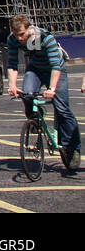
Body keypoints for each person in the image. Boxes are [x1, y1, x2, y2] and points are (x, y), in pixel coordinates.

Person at [8, 14, 80, 172]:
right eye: (16, 34)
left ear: (29, 29)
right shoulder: (12, 39)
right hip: (35, 69)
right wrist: (12, 84)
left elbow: (55, 65)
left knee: (62, 108)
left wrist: (52, 89)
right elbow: (12, 64)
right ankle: (35, 118)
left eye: (22, 34)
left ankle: (71, 147)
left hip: (55, 70)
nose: (19, 38)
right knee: (27, 94)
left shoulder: (46, 38)